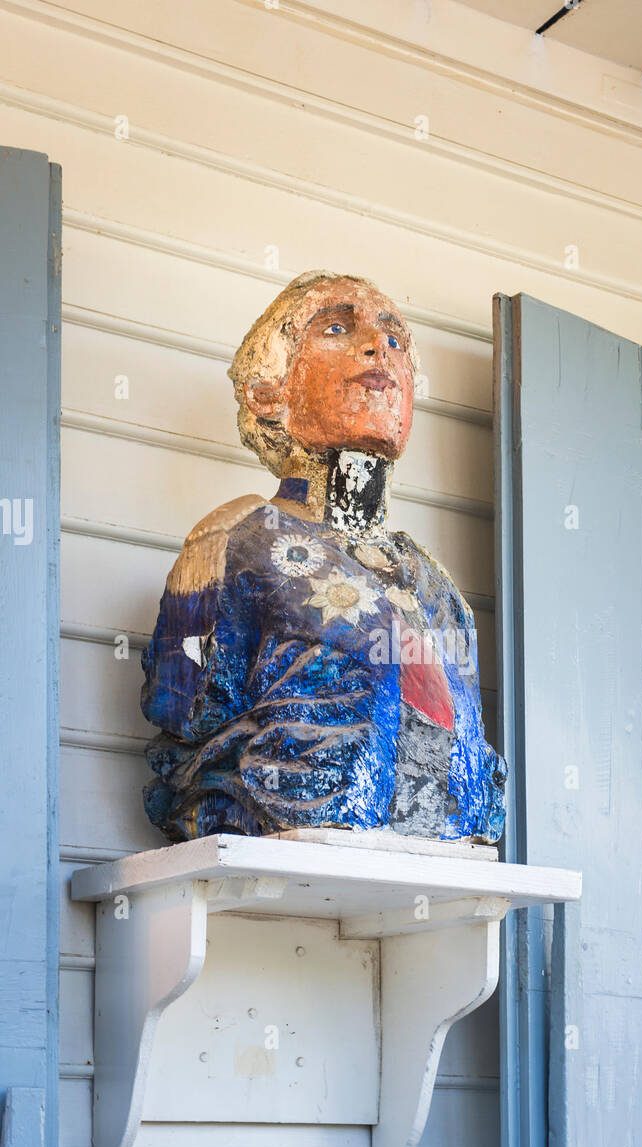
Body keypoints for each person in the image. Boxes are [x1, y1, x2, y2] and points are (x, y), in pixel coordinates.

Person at [141, 270, 506, 843]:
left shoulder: (437, 584)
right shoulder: (236, 537)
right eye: (336, 327)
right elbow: (182, 708)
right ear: (268, 394)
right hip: (278, 830)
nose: (378, 345)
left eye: (396, 338)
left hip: (444, 847)